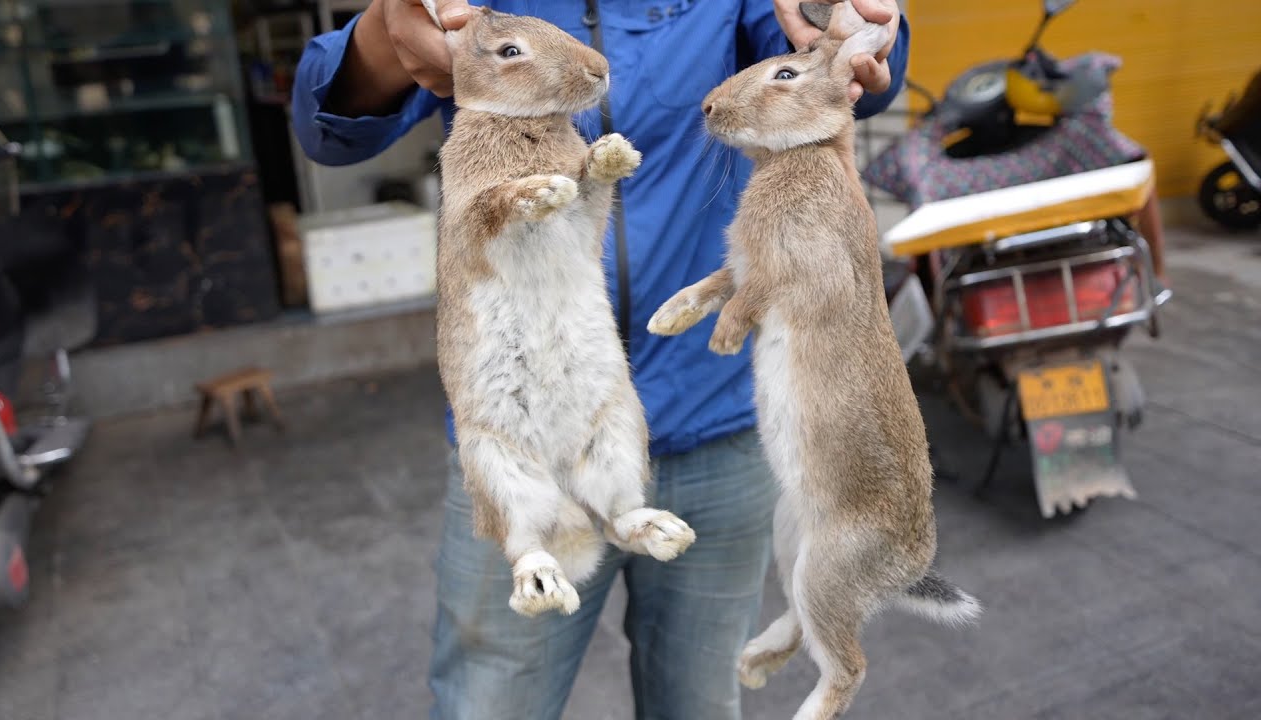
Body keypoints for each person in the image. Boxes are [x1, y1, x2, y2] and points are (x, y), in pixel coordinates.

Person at [291, 1, 908, 717]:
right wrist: (384, 32)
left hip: (715, 410)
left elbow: (836, 68)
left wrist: (845, 19)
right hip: (525, 426)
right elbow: (327, 123)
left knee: (702, 699)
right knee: (488, 699)